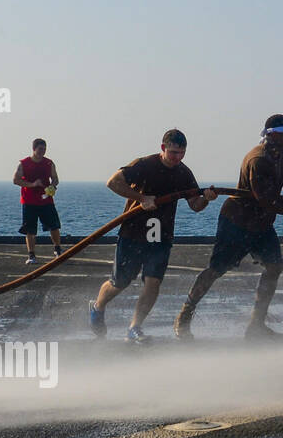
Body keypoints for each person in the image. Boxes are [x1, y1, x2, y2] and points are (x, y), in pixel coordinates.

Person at [174, 114, 283, 341]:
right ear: (277, 135)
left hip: (262, 224)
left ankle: (256, 325)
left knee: (275, 266)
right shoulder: (257, 159)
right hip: (237, 223)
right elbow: (266, 200)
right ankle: (184, 315)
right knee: (216, 270)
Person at [88, 130, 216, 343]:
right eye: (174, 152)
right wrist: (141, 198)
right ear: (163, 148)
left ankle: (134, 327)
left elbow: (195, 205)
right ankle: (97, 306)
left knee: (153, 281)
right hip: (133, 233)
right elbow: (113, 182)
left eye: (182, 153)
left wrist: (206, 199)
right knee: (120, 282)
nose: (177, 158)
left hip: (161, 236)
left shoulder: (184, 173)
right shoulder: (144, 165)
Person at [14, 138, 62, 264]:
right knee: (30, 230)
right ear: (34, 149)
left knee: (54, 226)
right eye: (40, 149)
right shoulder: (23, 163)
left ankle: (57, 250)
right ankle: (31, 255)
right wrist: (32, 184)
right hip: (29, 201)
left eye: (45, 149)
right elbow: (16, 180)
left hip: (46, 200)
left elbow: (55, 178)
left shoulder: (49, 163)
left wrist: (53, 186)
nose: (43, 151)